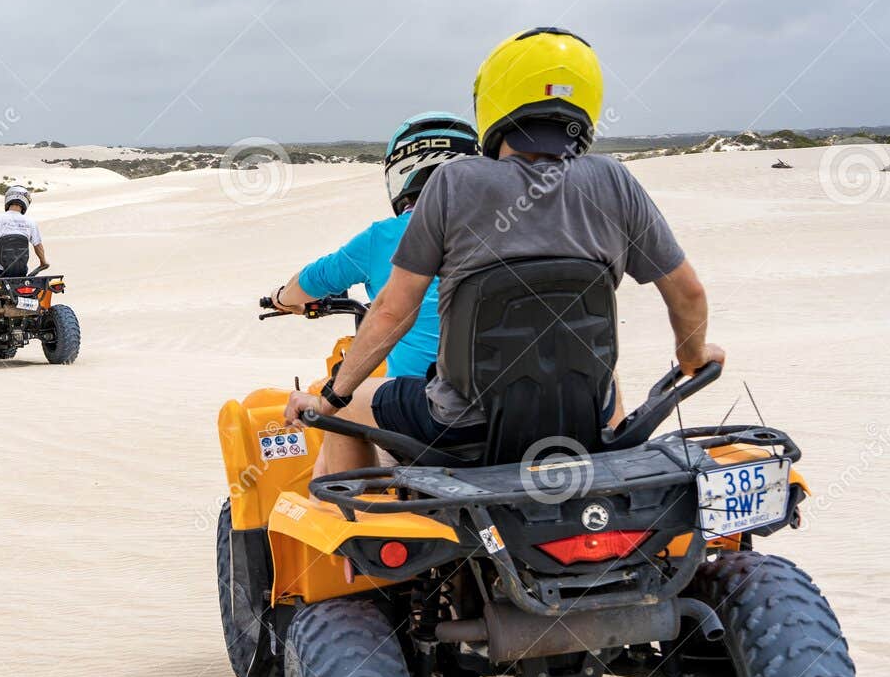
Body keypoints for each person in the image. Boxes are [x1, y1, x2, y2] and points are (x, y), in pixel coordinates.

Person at [286, 26, 725, 474]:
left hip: (459, 426)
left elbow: (392, 312)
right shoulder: (614, 181)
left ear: (494, 100)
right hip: (585, 420)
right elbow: (688, 293)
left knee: (346, 406)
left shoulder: (454, 183)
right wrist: (692, 358)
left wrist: (329, 397)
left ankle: (359, 530)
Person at [270, 112, 479, 381]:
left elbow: (313, 281)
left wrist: (283, 299)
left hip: (418, 402)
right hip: (508, 398)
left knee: (323, 404)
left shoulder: (382, 239)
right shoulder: (506, 228)